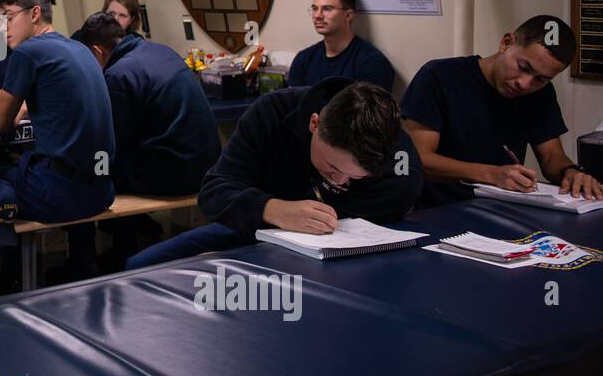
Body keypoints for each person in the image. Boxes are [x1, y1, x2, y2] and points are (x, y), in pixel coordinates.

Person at [128, 80, 423, 268]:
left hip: (342, 256)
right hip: (257, 229)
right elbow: (215, 191)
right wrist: (272, 209)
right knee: (141, 266)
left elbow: (402, 196)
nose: (339, 181)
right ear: (314, 124)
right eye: (332, 168)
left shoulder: (394, 149)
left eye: (355, 178)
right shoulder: (272, 112)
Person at [56, 13, 222, 279]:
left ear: (97, 51)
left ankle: (86, 263)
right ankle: (122, 247)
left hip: (175, 173)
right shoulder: (161, 50)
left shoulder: (118, 74)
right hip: (207, 164)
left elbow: (113, 142)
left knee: (86, 174)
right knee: (114, 165)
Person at [0, 0, 116, 294]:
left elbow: (1, 126)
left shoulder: (29, 52)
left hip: (60, 196)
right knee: (49, 164)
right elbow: (62, 99)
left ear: (35, 13)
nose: (3, 28)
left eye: (9, 18)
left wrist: (5, 107)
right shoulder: (78, 48)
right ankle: (82, 261)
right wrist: (23, 105)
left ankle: (10, 277)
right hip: (102, 188)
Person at [402, 15, 602, 207]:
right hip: (439, 209)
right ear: (506, 43)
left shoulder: (541, 94)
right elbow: (419, 157)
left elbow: (551, 157)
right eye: (523, 67)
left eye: (541, 79)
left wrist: (571, 172)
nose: (525, 84)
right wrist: (492, 174)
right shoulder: (439, 77)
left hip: (504, 208)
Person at [287, 0, 394, 90]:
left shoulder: (372, 63)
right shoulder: (304, 58)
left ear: (348, 15)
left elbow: (371, 106)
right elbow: (293, 103)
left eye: (327, 9)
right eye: (315, 9)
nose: (318, 16)